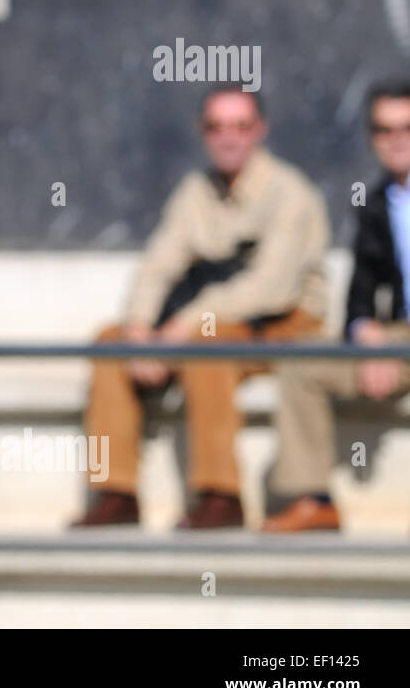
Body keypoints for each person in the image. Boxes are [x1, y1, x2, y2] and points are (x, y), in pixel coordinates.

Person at [70, 84, 330, 529]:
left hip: (284, 325)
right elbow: (158, 265)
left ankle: (220, 495)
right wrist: (138, 330)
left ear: (260, 131)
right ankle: (116, 492)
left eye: (241, 126)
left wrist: (182, 326)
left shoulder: (291, 193)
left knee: (206, 344)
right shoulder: (194, 191)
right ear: (202, 132)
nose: (228, 137)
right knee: (110, 343)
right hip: (210, 322)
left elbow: (270, 289)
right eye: (217, 126)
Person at [263, 78, 410, 532]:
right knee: (303, 362)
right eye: (385, 130)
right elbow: (360, 292)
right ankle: (315, 499)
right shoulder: (373, 204)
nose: (397, 139)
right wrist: (368, 337)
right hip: (399, 338)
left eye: (407, 127)